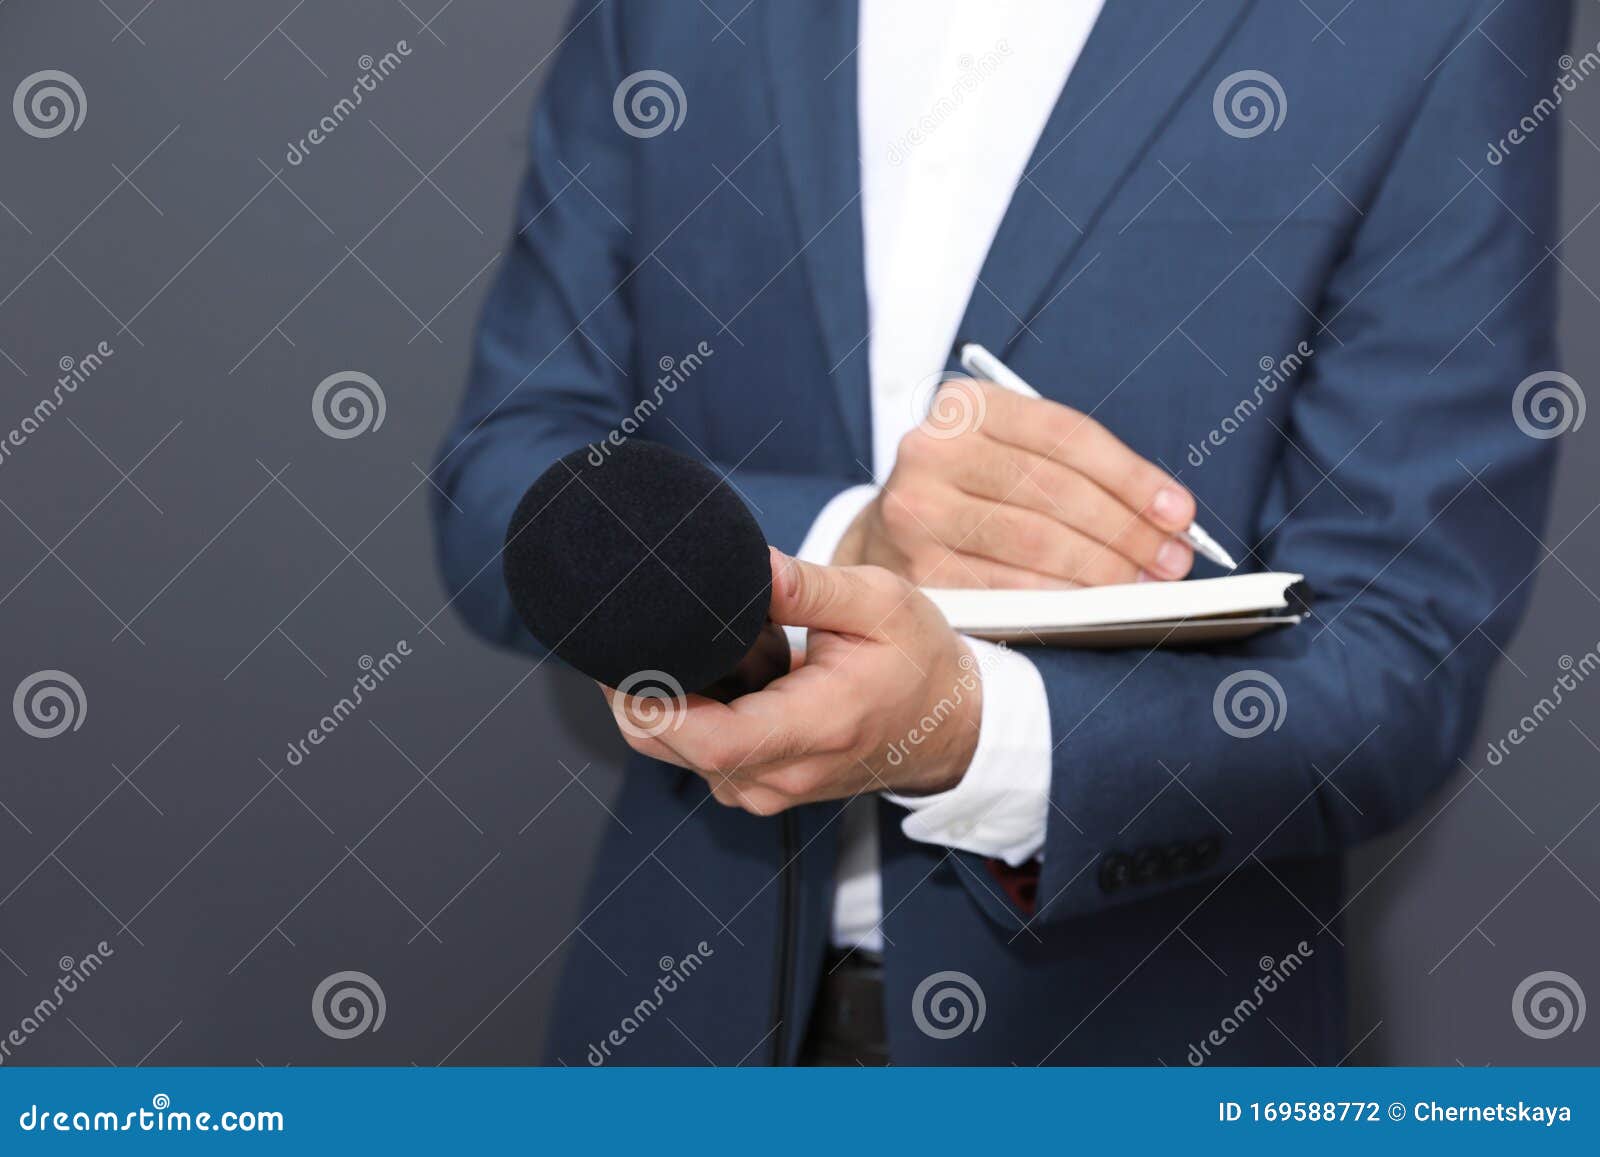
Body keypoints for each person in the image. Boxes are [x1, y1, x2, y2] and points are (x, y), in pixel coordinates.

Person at [433, 0, 1569, 1064]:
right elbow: (498, 479)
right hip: (675, 1030)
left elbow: (1400, 654)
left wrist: (969, 730)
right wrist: (839, 552)